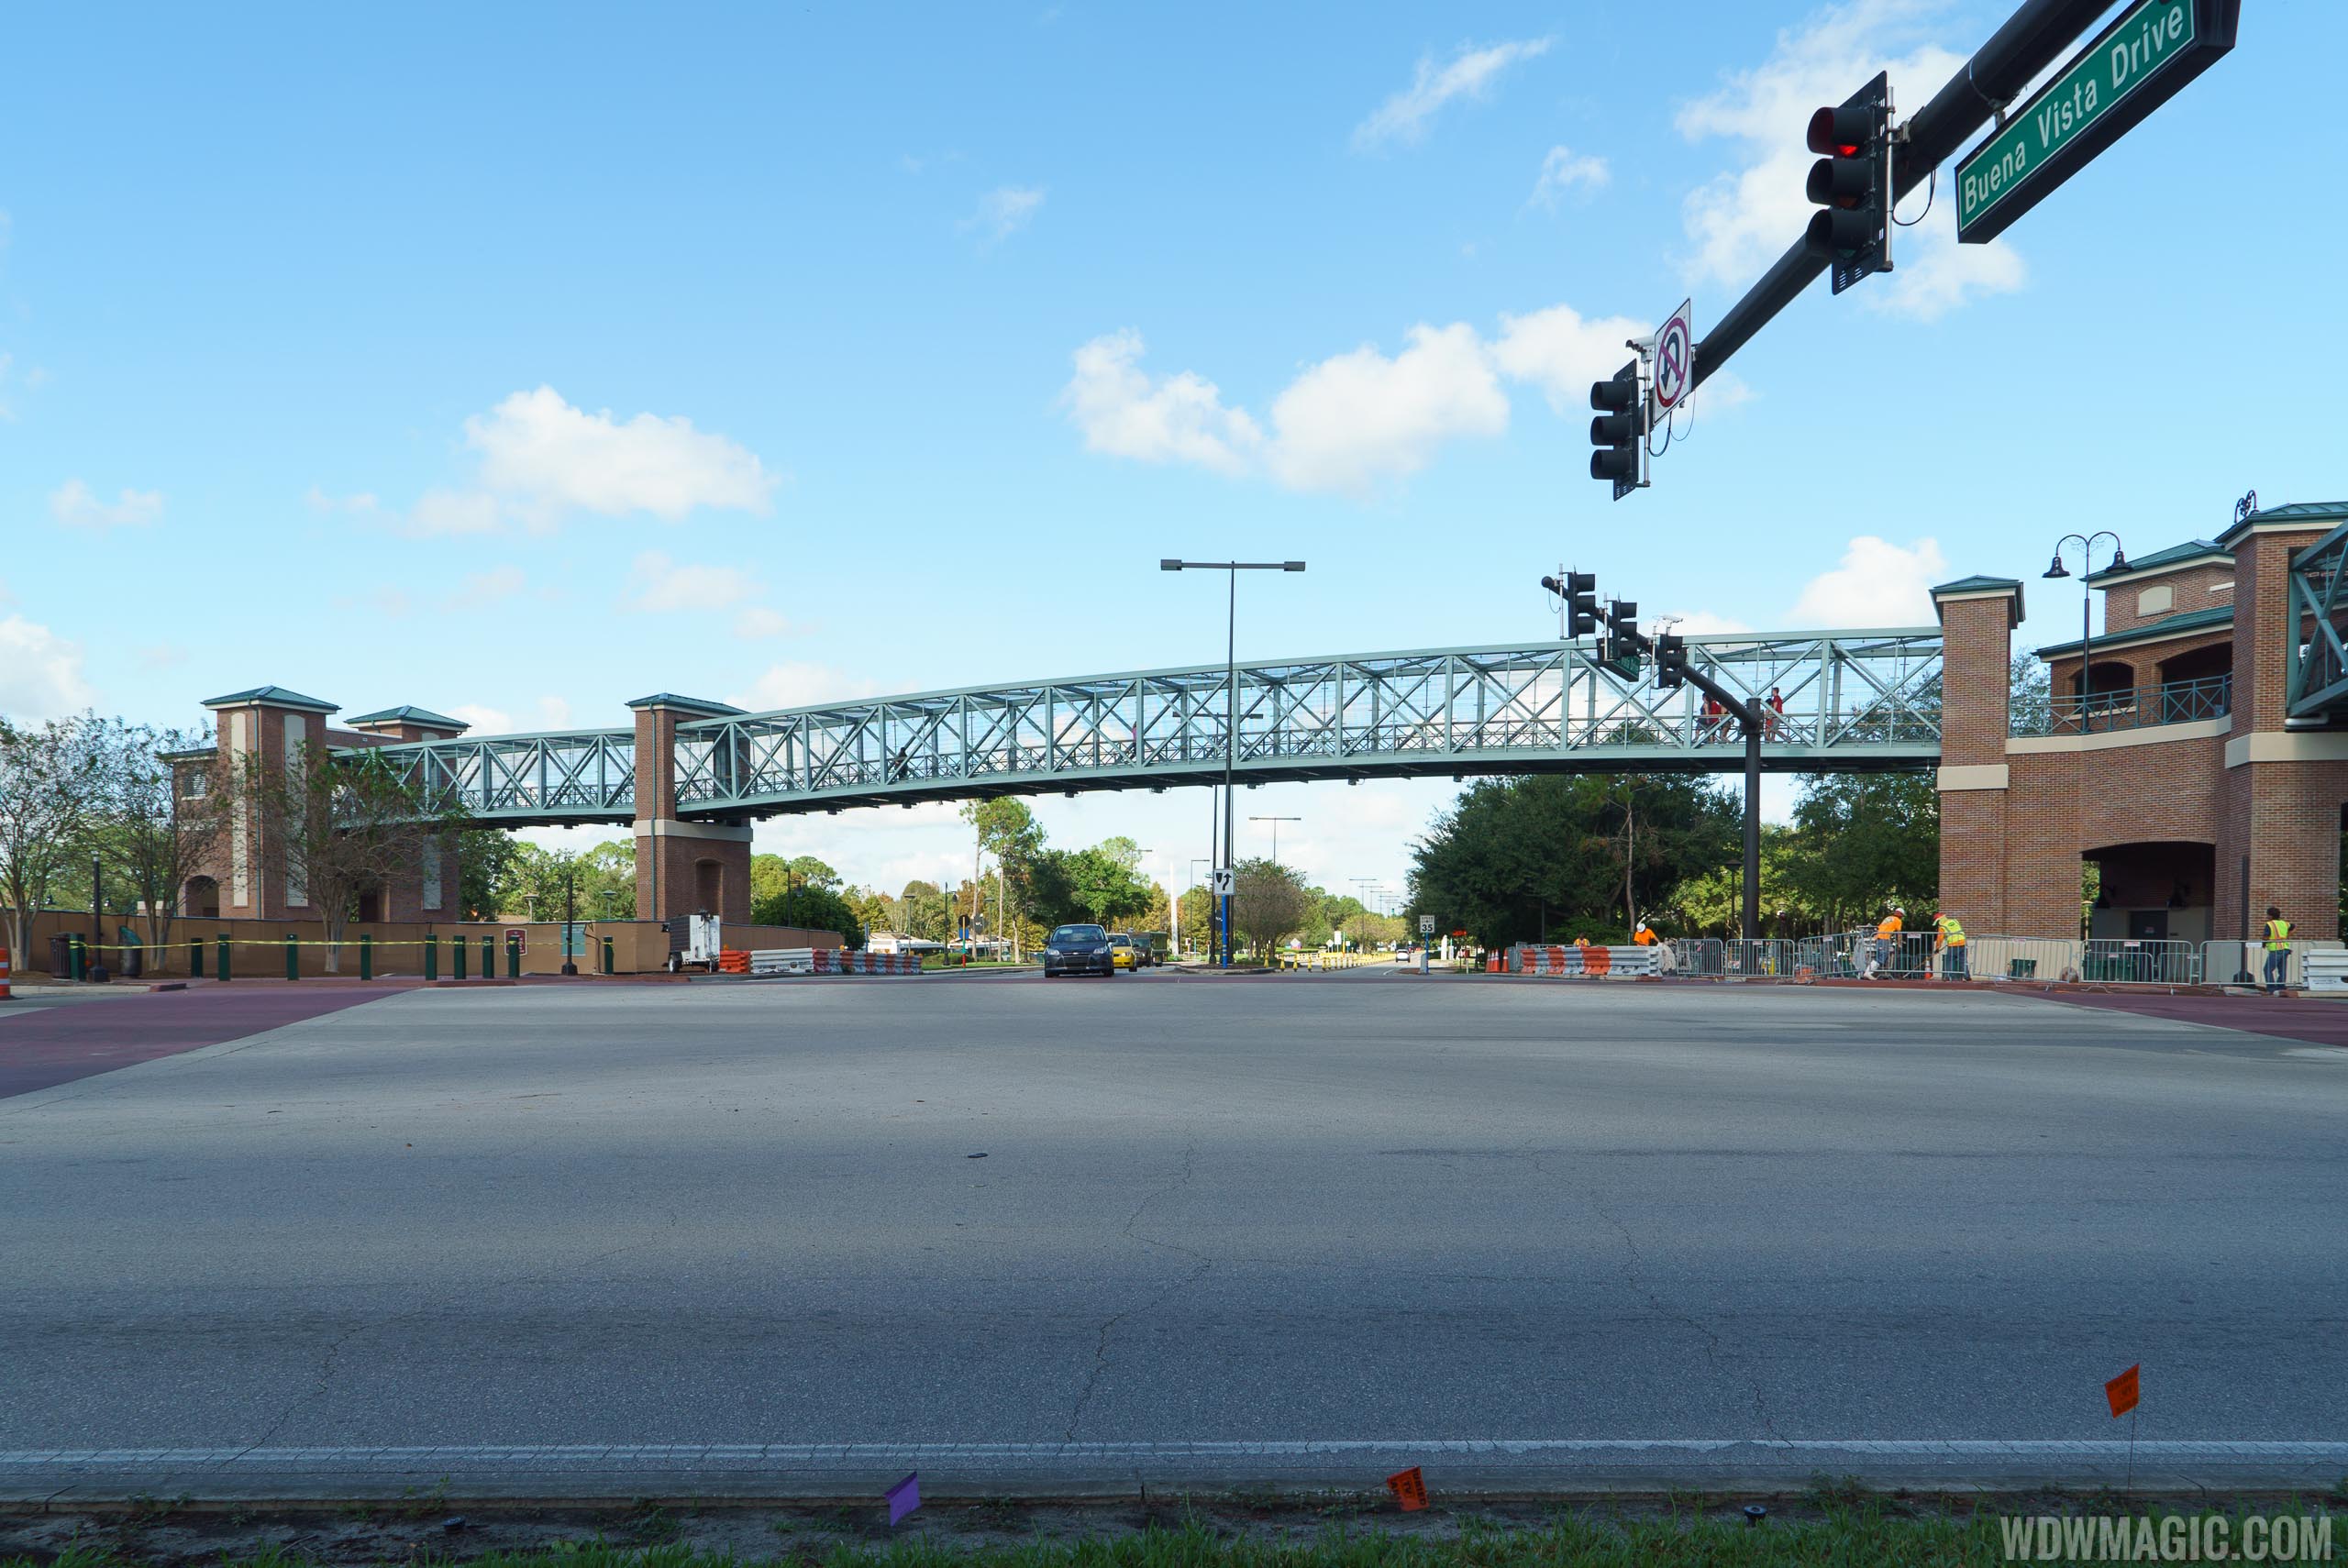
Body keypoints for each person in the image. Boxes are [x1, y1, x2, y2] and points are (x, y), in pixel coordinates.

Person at [2262, 905, 2294, 995]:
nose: (2267, 917)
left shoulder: (2270, 924)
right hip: (2285, 948)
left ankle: (2271, 988)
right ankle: (2281, 986)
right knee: (2282, 970)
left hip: (2275, 949)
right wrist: (2287, 935)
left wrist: (2264, 942)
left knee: (2267, 969)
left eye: (2267, 915)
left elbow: (2266, 936)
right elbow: (2294, 926)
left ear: (2271, 916)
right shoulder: (2285, 923)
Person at [1933, 911, 1967, 980]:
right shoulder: (1954, 921)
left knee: (1949, 960)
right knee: (1963, 961)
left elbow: (1940, 938)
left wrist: (1937, 948)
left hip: (1953, 944)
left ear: (1939, 920)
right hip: (1963, 942)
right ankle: (1967, 976)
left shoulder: (1942, 926)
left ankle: (1948, 976)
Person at [1873, 906, 1904, 978]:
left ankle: (1879, 974)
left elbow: (1880, 927)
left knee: (1882, 956)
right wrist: (1899, 944)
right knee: (1883, 956)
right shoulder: (1898, 920)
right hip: (1885, 938)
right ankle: (1869, 972)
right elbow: (1899, 933)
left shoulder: (1888, 918)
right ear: (1901, 915)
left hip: (1878, 937)